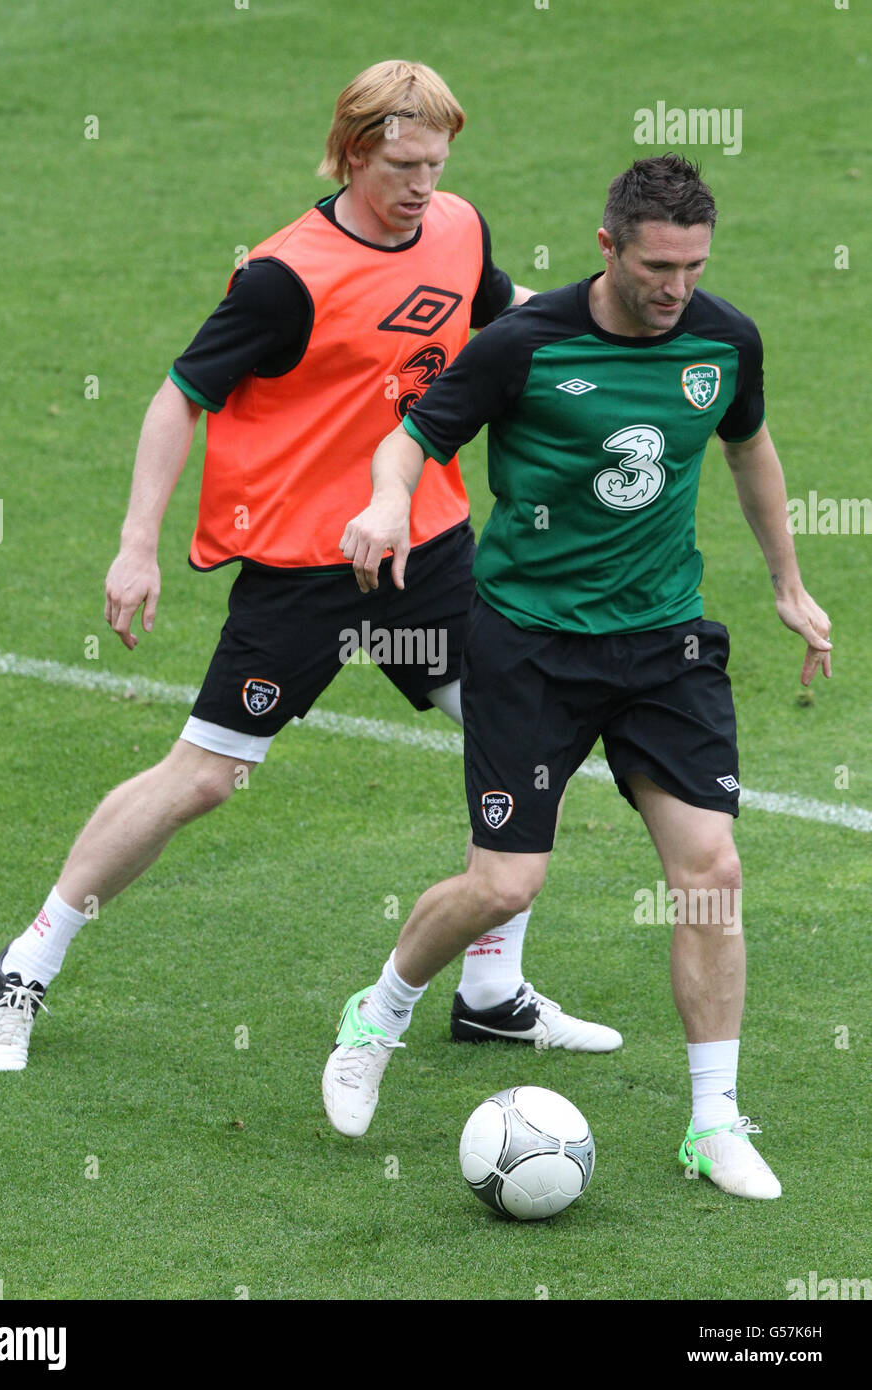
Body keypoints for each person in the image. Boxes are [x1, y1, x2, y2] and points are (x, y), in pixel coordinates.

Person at [0, 60, 621, 1072]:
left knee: (526, 733)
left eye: (436, 164)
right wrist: (137, 543)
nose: (421, 185)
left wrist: (616, 321)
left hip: (426, 545)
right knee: (207, 776)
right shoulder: (286, 277)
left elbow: (504, 304)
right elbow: (179, 395)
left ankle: (491, 989)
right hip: (301, 569)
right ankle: (26, 960)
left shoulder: (455, 225)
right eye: (401, 164)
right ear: (354, 150)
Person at [322, 155, 832, 1201]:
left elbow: (750, 451)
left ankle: (714, 1121)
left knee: (712, 871)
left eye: (693, 265)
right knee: (505, 882)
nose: (675, 287)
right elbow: (412, 439)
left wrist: (789, 583)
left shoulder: (724, 340)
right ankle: (379, 1011)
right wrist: (384, 507)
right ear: (609, 247)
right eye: (656, 266)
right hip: (531, 644)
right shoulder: (525, 343)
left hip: (663, 646)